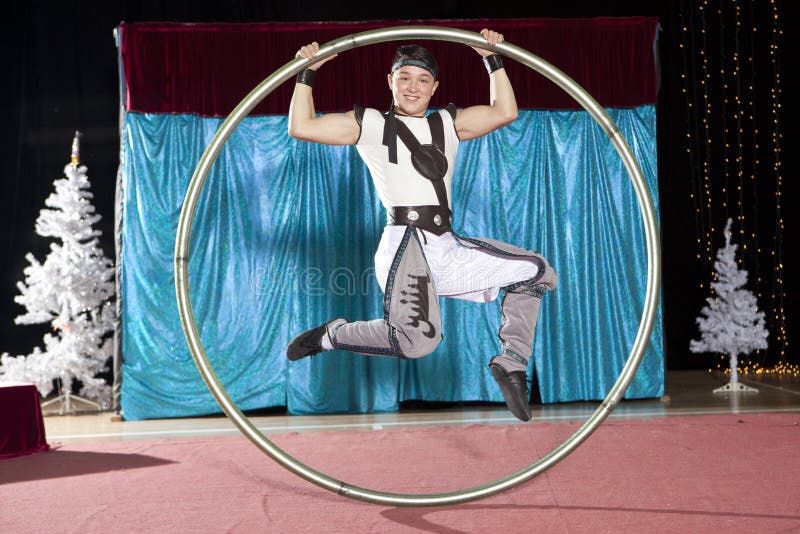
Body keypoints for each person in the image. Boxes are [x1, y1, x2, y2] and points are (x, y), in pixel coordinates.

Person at [285, 29, 558, 422]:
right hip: (404, 247)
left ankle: (512, 361)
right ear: (390, 83)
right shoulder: (371, 125)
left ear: (435, 87)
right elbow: (302, 126)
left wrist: (490, 58)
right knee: (416, 345)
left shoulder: (447, 124)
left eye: (422, 80)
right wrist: (307, 72)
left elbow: (505, 112)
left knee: (537, 272)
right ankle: (331, 336)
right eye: (404, 78)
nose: (413, 88)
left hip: (445, 248)